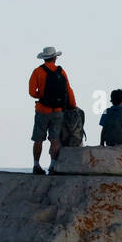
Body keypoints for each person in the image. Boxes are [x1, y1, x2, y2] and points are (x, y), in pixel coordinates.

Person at [29, 46, 83, 174]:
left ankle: (36, 166)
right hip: (58, 110)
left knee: (38, 139)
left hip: (42, 109)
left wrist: (41, 96)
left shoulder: (37, 71)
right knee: (55, 139)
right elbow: (68, 90)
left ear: (44, 58)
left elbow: (31, 92)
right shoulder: (61, 71)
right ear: (55, 57)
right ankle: (53, 166)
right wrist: (72, 105)